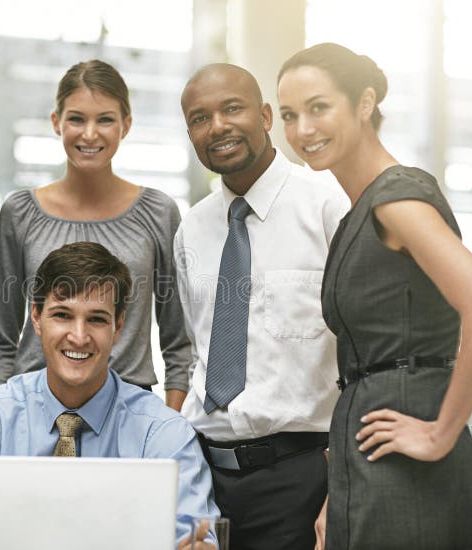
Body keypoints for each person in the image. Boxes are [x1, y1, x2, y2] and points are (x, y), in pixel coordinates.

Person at [276, 42, 472, 550]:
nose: (303, 130)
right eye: (290, 115)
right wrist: (333, 499)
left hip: (408, 470)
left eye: (319, 108)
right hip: (366, 466)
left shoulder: (397, 199)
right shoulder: (361, 211)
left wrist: (438, 434)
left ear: (364, 104)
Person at [0, 242, 219, 549]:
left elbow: (193, 529)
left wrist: (197, 544)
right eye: (62, 315)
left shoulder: (164, 432)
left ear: (118, 327)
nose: (78, 336)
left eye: (96, 319)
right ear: (36, 317)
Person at [176, 63, 350, 550]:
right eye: (200, 118)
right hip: (206, 480)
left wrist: (343, 485)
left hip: (302, 476)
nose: (218, 126)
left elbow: (362, 357)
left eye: (233, 109)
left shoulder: (327, 206)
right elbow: (198, 349)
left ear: (267, 115)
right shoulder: (192, 227)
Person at [0, 59, 192, 411]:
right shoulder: (20, 212)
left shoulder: (159, 212)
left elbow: (179, 343)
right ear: (56, 122)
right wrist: (2, 418)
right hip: (34, 408)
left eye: (105, 119)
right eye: (77, 119)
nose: (90, 134)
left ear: (126, 125)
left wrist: (167, 424)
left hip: (131, 411)